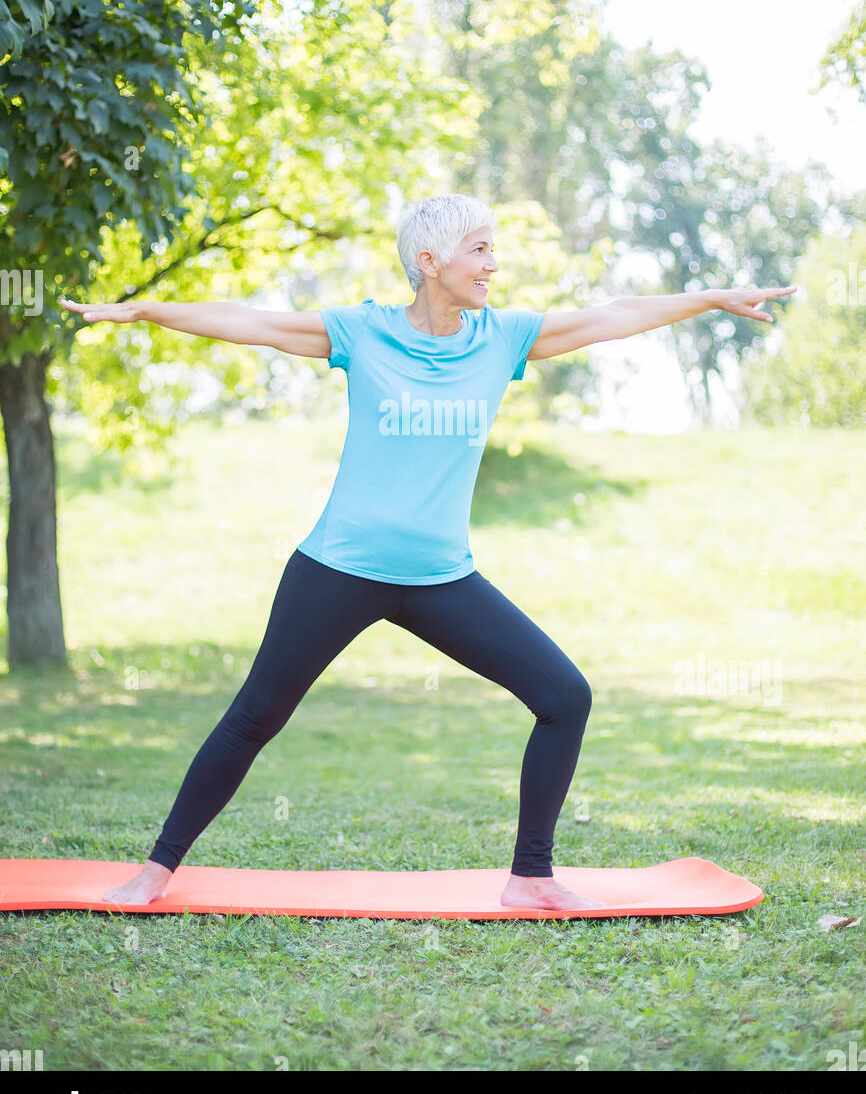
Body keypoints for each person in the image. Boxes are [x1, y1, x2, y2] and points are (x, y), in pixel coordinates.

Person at [59, 193, 796, 911]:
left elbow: (613, 317)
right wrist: (144, 310)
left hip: (441, 579)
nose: (493, 265)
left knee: (565, 696)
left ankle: (531, 876)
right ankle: (156, 868)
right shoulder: (362, 331)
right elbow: (252, 322)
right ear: (429, 259)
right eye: (481, 249)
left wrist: (710, 296)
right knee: (256, 715)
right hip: (338, 568)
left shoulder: (502, 339)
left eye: (492, 249)